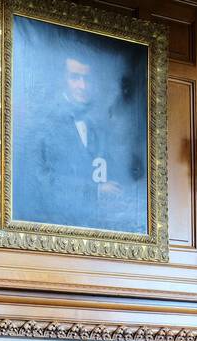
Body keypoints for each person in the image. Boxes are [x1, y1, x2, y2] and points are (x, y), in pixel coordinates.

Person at [14, 46, 141, 233]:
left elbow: (111, 172)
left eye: (86, 78)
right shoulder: (44, 124)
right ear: (62, 81)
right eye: (75, 78)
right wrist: (96, 191)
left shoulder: (97, 127)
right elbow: (42, 181)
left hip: (96, 229)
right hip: (52, 228)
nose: (82, 86)